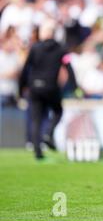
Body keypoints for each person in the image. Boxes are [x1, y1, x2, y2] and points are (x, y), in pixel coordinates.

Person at [19, 19, 76, 160]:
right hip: (51, 87)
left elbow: (26, 69)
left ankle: (37, 150)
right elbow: (69, 67)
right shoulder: (61, 48)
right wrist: (74, 86)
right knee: (58, 111)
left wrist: (21, 88)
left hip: (35, 87)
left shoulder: (35, 48)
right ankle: (48, 133)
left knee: (36, 118)